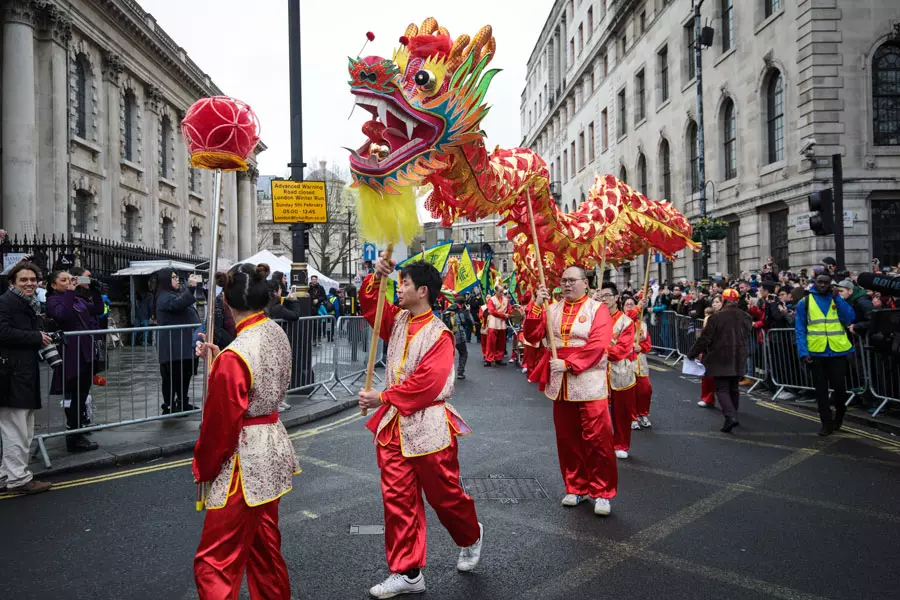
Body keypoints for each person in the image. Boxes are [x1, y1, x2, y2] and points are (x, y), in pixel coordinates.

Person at [357, 256, 483, 599]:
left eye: (404, 284)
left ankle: (470, 535)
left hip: (429, 426)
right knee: (397, 500)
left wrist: (382, 396)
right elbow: (371, 306)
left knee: (446, 498)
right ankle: (408, 571)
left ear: (422, 290)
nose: (399, 289)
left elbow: (428, 384)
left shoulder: (440, 335)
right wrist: (376, 276)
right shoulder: (397, 320)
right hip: (394, 427)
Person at [192, 263, 298, 599]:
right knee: (264, 548)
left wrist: (204, 467)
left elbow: (221, 426)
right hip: (272, 444)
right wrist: (219, 361)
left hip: (244, 459)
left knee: (215, 561)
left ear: (226, 301)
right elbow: (258, 379)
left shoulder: (236, 355)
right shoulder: (274, 332)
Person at [525, 266, 616, 515]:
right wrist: (536, 304)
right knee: (567, 440)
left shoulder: (597, 309)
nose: (566, 285)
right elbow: (531, 335)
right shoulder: (550, 308)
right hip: (560, 385)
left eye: (572, 280)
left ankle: (602, 492)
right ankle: (576, 487)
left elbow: (598, 344)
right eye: (563, 280)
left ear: (585, 283)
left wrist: (569, 364)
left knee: (598, 440)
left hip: (589, 382)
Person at [0, 263, 54, 493]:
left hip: (22, 373)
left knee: (20, 428)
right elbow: (2, 332)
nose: (30, 283)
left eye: (33, 279)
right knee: (17, 429)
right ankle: (19, 479)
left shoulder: (27, 304)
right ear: (12, 282)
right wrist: (35, 337)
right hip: (11, 375)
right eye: (24, 280)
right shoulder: (6, 302)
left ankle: (5, 475)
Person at [46, 269, 103, 452]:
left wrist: (94, 290)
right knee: (72, 397)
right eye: (63, 280)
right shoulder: (53, 300)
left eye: (69, 279)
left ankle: (78, 431)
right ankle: (73, 437)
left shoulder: (77, 299)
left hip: (85, 353)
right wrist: (70, 291)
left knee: (82, 394)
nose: (68, 281)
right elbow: (64, 316)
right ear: (54, 285)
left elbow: (98, 310)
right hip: (70, 354)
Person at [795, 273, 855, 435]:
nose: (822, 285)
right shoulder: (805, 302)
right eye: (820, 282)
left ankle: (840, 413)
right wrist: (804, 353)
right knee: (820, 392)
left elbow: (850, 318)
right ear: (815, 282)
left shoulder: (837, 299)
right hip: (816, 353)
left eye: (826, 283)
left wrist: (838, 299)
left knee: (840, 390)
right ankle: (826, 423)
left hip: (838, 352)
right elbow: (800, 330)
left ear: (830, 284)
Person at [687, 289, 753, 433]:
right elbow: (747, 334)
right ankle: (733, 414)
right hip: (738, 357)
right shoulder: (746, 317)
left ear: (723, 301)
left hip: (721, 357)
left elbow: (704, 339)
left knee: (722, 389)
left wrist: (692, 354)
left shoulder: (715, 318)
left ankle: (730, 416)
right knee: (733, 388)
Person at [595, 282, 637, 459]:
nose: (604, 299)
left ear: (616, 298)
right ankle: (601, 442)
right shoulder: (593, 318)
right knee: (596, 411)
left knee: (621, 411)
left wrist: (599, 349)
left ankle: (621, 443)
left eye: (608, 296)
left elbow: (621, 350)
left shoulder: (626, 322)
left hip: (620, 372)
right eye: (601, 296)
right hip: (596, 372)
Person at [155, 268, 201, 414]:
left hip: (184, 346)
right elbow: (178, 304)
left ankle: (182, 402)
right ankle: (168, 406)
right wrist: (191, 288)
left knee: (185, 376)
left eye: (177, 277)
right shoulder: (164, 296)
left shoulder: (175, 294)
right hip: (172, 348)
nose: (177, 280)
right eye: (173, 278)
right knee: (171, 378)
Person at [624, 297, 653, 429]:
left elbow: (647, 343)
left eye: (632, 304)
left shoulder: (643, 324)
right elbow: (630, 316)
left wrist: (641, 348)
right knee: (630, 391)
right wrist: (638, 306)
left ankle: (642, 413)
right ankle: (631, 417)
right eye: (627, 304)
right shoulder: (622, 321)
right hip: (626, 362)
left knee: (645, 390)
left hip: (641, 362)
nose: (630, 306)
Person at [697, 295, 723, 408]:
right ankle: (707, 399)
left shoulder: (725, 317)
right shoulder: (708, 318)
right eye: (713, 302)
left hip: (722, 350)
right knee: (707, 376)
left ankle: (727, 402)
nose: (715, 304)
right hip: (709, 350)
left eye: (717, 302)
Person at [483, 284, 511, 366]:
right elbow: (492, 311)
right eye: (500, 292)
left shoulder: (506, 300)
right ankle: (488, 359)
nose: (502, 293)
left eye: (502, 291)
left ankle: (499, 358)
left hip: (502, 324)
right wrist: (504, 315)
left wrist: (509, 314)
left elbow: (509, 308)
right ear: (496, 291)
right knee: (491, 342)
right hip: (493, 323)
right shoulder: (491, 300)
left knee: (501, 342)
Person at [443, 297, 469, 380]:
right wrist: (467, 311)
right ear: (462, 303)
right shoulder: (460, 310)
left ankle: (445, 374)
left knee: (448, 355)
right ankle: (460, 373)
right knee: (463, 353)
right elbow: (466, 320)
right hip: (458, 335)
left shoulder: (447, 310)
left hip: (448, 335)